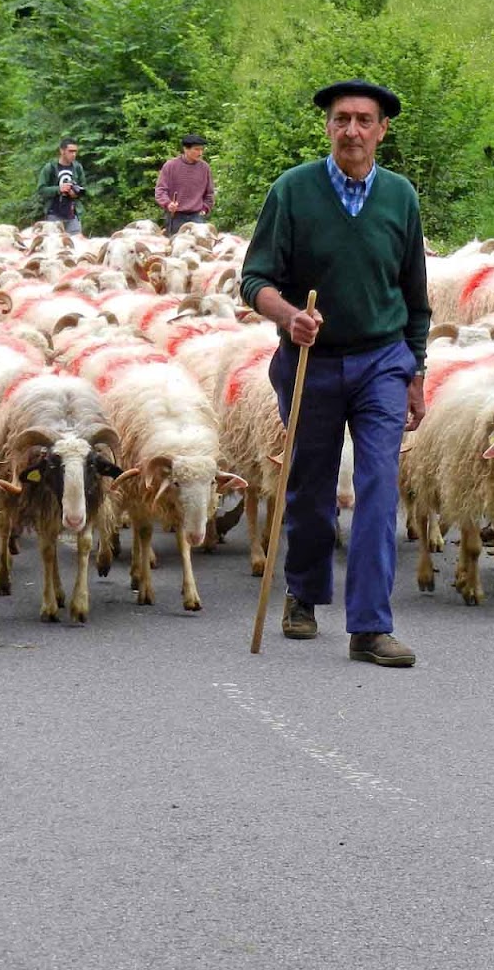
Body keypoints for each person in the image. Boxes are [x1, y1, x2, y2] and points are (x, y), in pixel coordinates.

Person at [239, 78, 429, 669]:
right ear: (328, 126)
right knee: (310, 484)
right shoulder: (293, 191)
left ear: (382, 130)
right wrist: (290, 315)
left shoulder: (400, 197)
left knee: (377, 484)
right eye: (342, 119)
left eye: (363, 120)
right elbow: (254, 280)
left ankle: (370, 626)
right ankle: (304, 592)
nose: (352, 130)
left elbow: (416, 297)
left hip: (381, 361)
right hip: (309, 365)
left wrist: (416, 370)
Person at [155, 134, 215, 234]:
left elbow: (209, 193)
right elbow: (161, 190)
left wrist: (204, 209)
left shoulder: (205, 168)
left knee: (199, 245)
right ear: (186, 149)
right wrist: (168, 204)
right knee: (177, 245)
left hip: (197, 215)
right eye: (196, 149)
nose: (200, 153)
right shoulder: (170, 166)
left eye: (201, 149)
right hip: (176, 215)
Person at [37, 138, 87, 234]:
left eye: (75, 151)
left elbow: (84, 188)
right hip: (54, 214)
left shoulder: (77, 168)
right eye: (70, 151)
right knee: (54, 244)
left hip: (73, 214)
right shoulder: (50, 168)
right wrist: (59, 189)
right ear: (62, 151)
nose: (73, 154)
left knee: (75, 245)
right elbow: (41, 190)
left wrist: (76, 193)